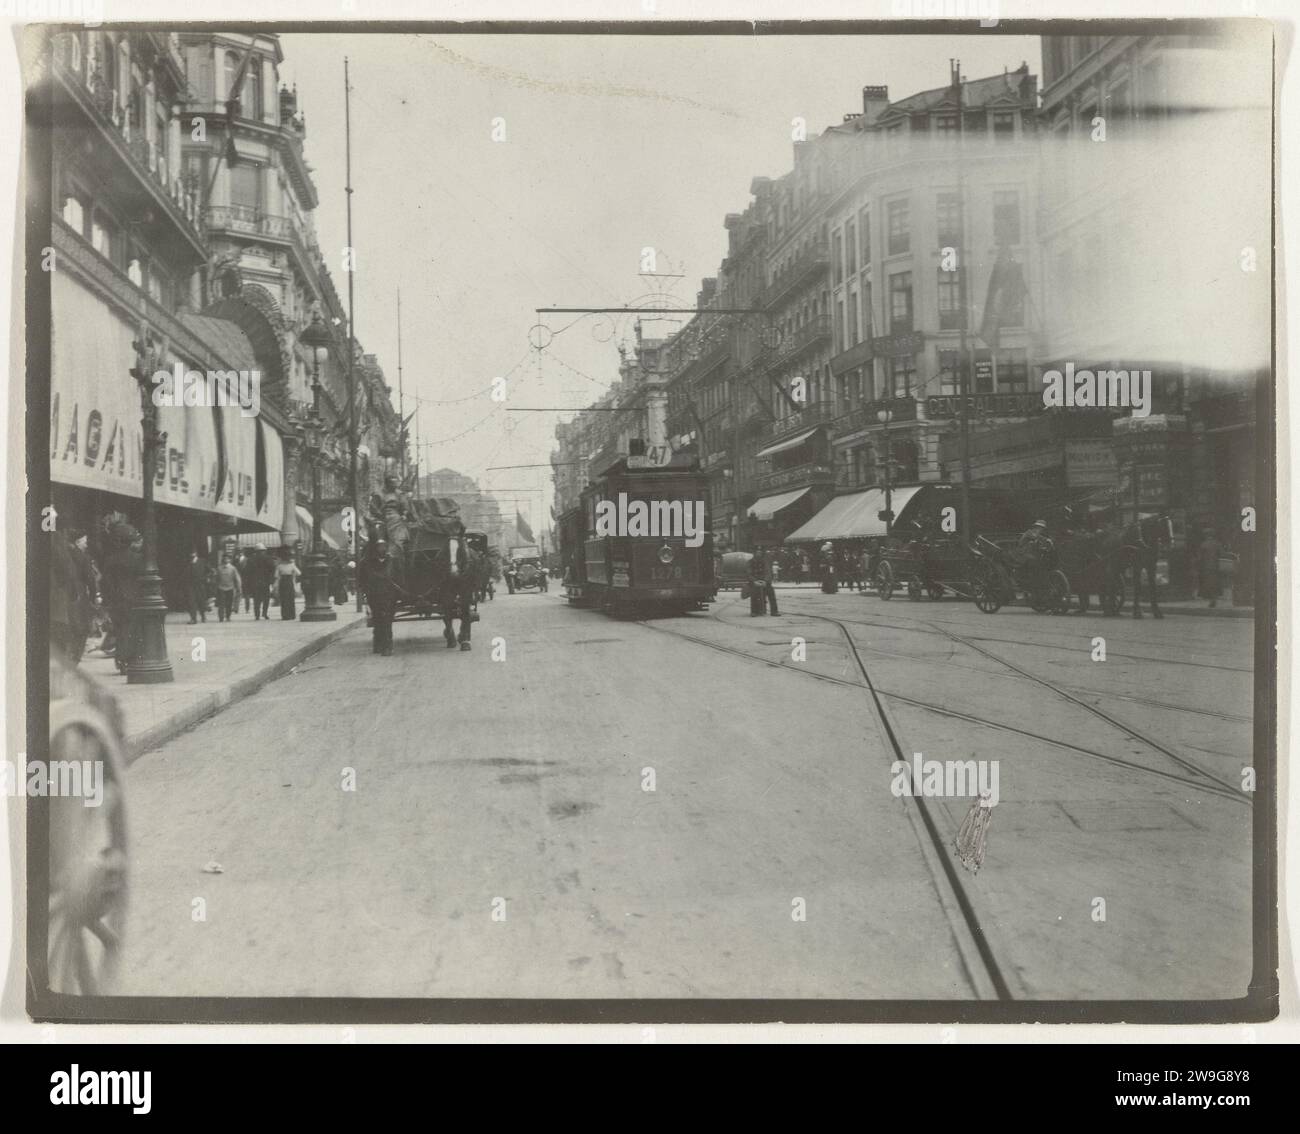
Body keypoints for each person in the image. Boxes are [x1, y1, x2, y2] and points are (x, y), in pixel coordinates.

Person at [361, 539, 398, 655]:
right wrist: (365, 591)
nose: (382, 549)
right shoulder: (367, 562)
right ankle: (378, 642)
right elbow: (362, 579)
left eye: (384, 547)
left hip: (389, 593)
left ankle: (388, 645)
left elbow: (399, 576)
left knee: (387, 619)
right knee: (377, 618)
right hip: (374, 594)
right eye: (379, 547)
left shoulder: (392, 561)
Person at [369, 473, 412, 550]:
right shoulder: (378, 494)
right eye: (391, 484)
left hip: (396, 518)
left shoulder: (399, 494)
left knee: (399, 535)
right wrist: (380, 515)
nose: (394, 486)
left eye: (395, 484)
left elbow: (405, 506)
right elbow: (373, 507)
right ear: (387, 484)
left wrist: (404, 514)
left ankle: (396, 547)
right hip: (381, 517)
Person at [1197, 526, 1225, 609]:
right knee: (1215, 582)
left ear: (1205, 535)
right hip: (1216, 566)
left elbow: (1200, 557)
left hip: (1206, 567)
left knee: (1208, 582)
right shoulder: (1217, 544)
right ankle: (1213, 598)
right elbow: (1222, 554)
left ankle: (1211, 599)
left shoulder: (1203, 544)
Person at [748, 546, 779, 616]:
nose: (759, 554)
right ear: (754, 553)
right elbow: (749, 574)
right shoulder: (750, 562)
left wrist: (765, 581)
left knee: (771, 592)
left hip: (764, 582)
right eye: (757, 552)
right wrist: (754, 581)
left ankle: (774, 611)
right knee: (754, 592)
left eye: (760, 552)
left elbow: (768, 572)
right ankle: (754, 611)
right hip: (755, 582)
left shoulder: (765, 562)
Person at [245, 548, 274, 620]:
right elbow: (272, 569)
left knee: (256, 599)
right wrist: (271, 580)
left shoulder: (251, 559)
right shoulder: (268, 558)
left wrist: (249, 582)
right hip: (265, 582)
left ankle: (257, 615)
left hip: (255, 582)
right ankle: (264, 613)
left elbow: (247, 571)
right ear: (263, 551)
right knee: (266, 598)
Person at [214, 554, 242, 622]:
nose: (226, 560)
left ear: (230, 560)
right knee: (221, 603)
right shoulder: (219, 568)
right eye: (224, 558)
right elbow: (216, 579)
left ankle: (228, 616)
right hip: (221, 588)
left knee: (229, 603)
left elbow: (237, 578)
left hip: (230, 588)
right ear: (223, 559)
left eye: (227, 559)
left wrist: (239, 587)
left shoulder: (233, 568)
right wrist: (215, 587)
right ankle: (221, 617)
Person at [275, 550, 301, 620]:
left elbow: (276, 575)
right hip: (289, 582)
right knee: (290, 599)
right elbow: (299, 573)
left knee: (284, 599)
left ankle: (285, 615)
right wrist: (293, 574)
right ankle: (291, 615)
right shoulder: (292, 565)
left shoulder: (279, 566)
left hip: (283, 582)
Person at [187, 551, 209, 624]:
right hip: (191, 585)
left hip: (200, 584)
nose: (192, 554)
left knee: (201, 601)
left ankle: (203, 616)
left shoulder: (202, 561)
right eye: (191, 553)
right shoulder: (189, 562)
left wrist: (206, 578)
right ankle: (193, 618)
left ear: (196, 553)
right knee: (191, 601)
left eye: (193, 552)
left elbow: (210, 570)